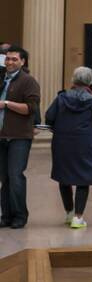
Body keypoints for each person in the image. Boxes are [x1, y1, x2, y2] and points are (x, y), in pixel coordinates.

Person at [46, 66, 92, 229]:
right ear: (90, 81)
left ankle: (69, 213)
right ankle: (78, 217)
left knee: (64, 177)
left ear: (73, 80)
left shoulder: (61, 98)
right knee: (83, 179)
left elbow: (49, 117)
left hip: (63, 144)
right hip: (86, 145)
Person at [0, 45, 41, 228]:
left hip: (19, 137)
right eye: (7, 59)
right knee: (4, 178)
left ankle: (20, 216)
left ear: (22, 62)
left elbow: (30, 108)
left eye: (14, 59)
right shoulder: (2, 79)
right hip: (2, 136)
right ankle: (6, 216)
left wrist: (7, 104)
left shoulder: (28, 81)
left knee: (15, 175)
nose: (9, 62)